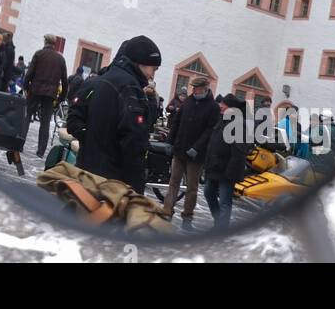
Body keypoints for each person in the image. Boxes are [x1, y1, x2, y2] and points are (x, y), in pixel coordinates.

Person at [65, 35, 161, 192]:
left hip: (85, 173)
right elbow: (134, 141)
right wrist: (136, 189)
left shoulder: (96, 81)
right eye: (153, 69)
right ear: (141, 62)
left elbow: (74, 119)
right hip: (113, 183)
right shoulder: (130, 88)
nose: (152, 75)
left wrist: (91, 140)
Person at [162, 75, 218, 231]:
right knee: (173, 183)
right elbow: (177, 123)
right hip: (179, 150)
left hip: (196, 155)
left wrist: (197, 147)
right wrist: (169, 141)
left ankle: (187, 216)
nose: (194, 90)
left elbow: (209, 130)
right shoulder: (188, 101)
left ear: (205, 89)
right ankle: (167, 212)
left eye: (197, 88)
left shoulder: (213, 107)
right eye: (193, 88)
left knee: (191, 187)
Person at [203, 93, 248, 232]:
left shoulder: (239, 124)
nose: (220, 106)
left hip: (227, 170)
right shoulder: (222, 119)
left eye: (224, 104)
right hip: (214, 167)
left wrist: (230, 171)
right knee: (208, 193)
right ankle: (219, 223)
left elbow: (239, 151)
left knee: (224, 201)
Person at [23, 34, 68, 159]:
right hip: (50, 94)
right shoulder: (60, 59)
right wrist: (62, 97)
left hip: (35, 90)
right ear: (54, 44)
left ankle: (20, 143)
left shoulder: (39, 54)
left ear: (45, 41)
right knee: (45, 122)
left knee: (26, 117)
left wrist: (26, 87)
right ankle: (41, 151)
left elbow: (30, 73)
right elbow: (65, 81)